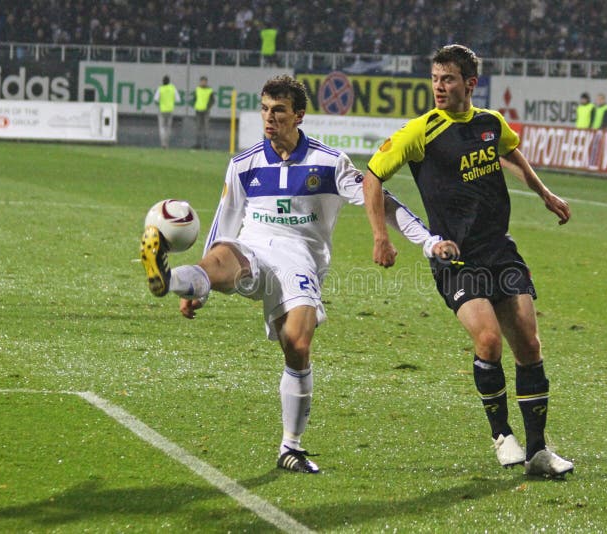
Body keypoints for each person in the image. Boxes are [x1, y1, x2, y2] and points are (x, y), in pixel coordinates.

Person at [140, 75, 437, 474]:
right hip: (252, 249)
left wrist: (426, 240)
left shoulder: (329, 162)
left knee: (297, 344)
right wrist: (199, 288)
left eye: (278, 110)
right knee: (223, 256)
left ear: (299, 115)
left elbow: (378, 197)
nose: (269, 118)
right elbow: (223, 227)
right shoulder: (243, 165)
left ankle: (290, 448)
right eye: (264, 109)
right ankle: (171, 277)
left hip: (299, 260)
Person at [362, 44, 574, 478]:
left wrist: (545, 193)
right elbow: (372, 176)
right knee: (489, 341)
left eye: (448, 79)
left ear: (470, 83)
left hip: (499, 249)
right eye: (435, 79)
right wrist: (380, 236)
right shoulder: (420, 131)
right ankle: (502, 435)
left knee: (530, 347)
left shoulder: (490, 123)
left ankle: (538, 451)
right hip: (455, 257)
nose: (439, 87)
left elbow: (509, 152)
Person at [153, 75, 181, 149]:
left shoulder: (160, 88)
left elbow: (155, 99)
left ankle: (163, 143)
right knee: (168, 127)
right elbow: (178, 99)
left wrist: (159, 105)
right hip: (170, 110)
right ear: (169, 81)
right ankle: (167, 143)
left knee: (162, 127)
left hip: (162, 110)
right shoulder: (173, 88)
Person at [193, 76, 215, 149]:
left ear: (206, 82)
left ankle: (206, 145)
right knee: (198, 128)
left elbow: (212, 100)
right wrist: (195, 105)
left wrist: (208, 107)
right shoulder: (197, 89)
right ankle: (198, 144)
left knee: (206, 128)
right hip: (198, 110)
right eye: (202, 81)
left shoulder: (209, 90)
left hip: (206, 111)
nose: (203, 83)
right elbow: (194, 98)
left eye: (204, 81)